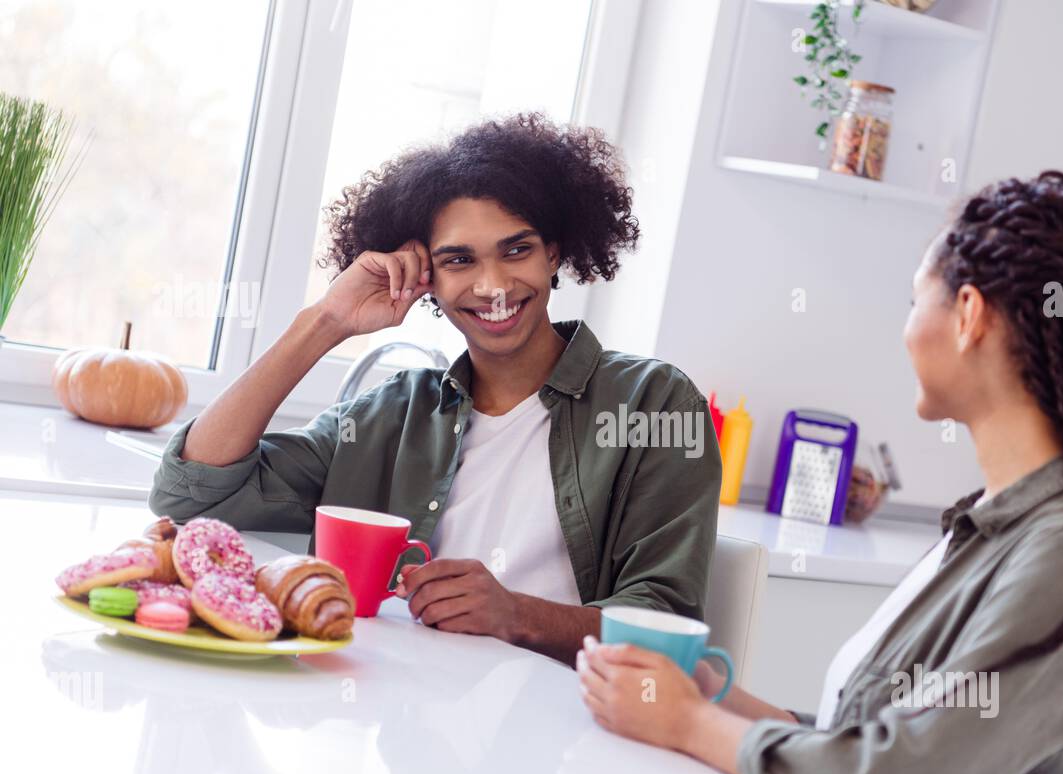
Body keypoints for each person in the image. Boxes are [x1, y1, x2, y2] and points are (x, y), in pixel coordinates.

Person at [578, 171, 1063, 774]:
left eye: (912, 300)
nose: (905, 329)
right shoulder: (995, 526)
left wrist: (689, 725)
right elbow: (871, 746)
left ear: (968, 315)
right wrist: (715, 699)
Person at [150, 113, 722, 665]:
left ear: (555, 251)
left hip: (569, 736)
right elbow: (192, 493)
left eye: (516, 249)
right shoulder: (396, 414)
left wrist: (515, 614)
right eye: (458, 260)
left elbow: (665, 628)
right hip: (396, 719)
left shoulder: (654, 404)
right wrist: (326, 320)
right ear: (428, 279)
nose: (493, 285)